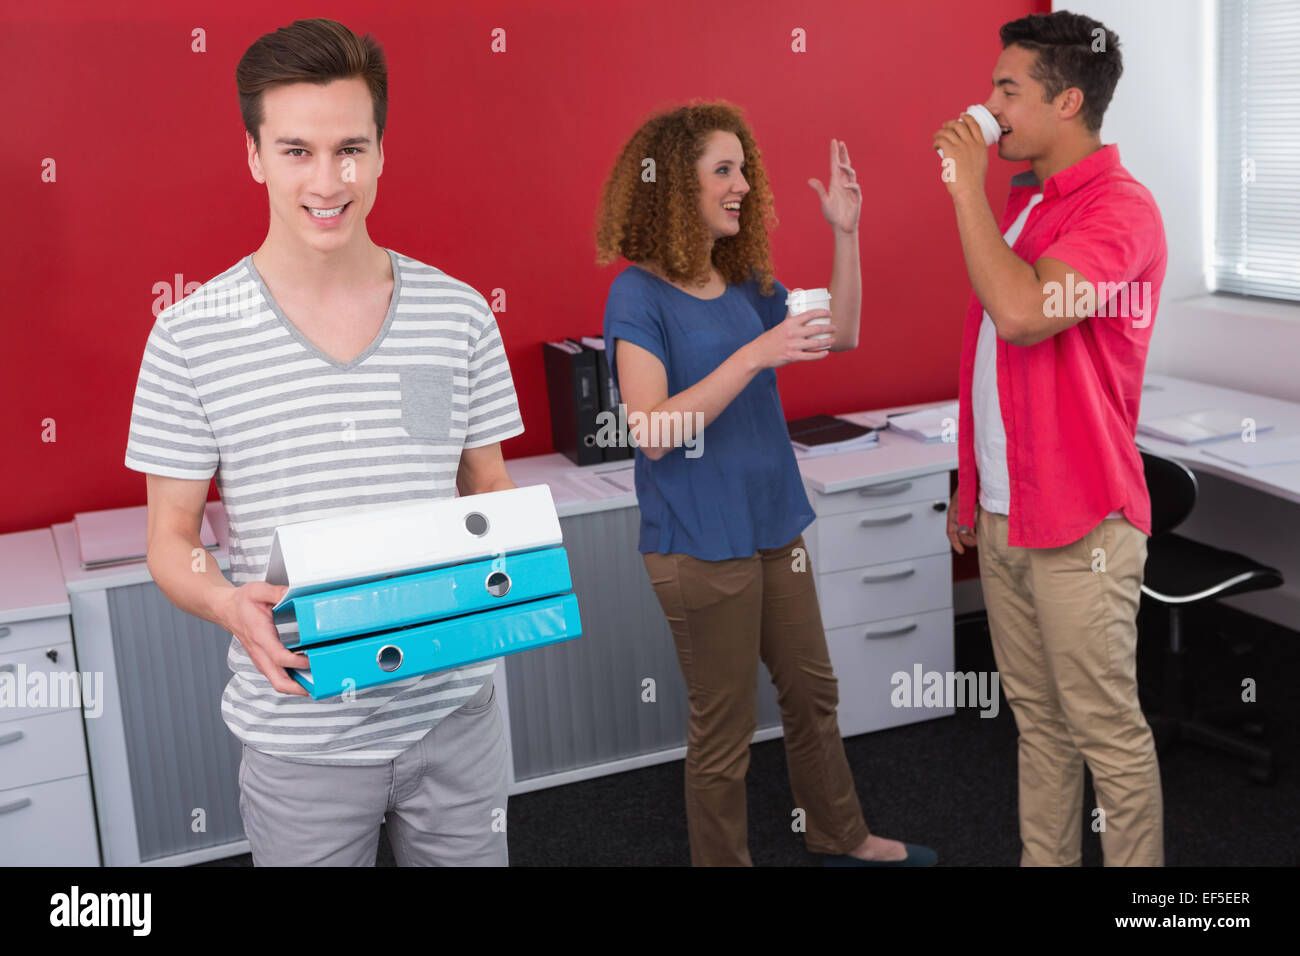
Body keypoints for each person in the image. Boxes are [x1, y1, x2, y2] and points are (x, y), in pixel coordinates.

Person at [124, 18, 524, 866]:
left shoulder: (458, 314)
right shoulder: (189, 336)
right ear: (255, 155)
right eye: (297, 150)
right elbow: (170, 538)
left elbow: (487, 484)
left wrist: (514, 563)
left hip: (459, 714)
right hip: (302, 734)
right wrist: (229, 603)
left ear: (381, 151)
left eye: (351, 148)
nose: (328, 180)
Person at [596, 100, 937, 867]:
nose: (743, 184)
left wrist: (845, 234)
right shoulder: (637, 295)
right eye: (724, 170)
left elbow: (839, 334)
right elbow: (650, 430)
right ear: (674, 189)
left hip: (774, 525)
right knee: (723, 730)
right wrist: (756, 355)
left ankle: (839, 833)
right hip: (697, 542)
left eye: (743, 169)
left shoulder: (744, 280)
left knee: (814, 697)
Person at [934, 10, 1166, 866]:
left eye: (1007, 89)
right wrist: (973, 484)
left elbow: (1027, 316)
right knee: (1039, 726)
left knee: (1106, 732)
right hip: (1005, 511)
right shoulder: (1028, 205)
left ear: (1068, 101)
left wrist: (963, 190)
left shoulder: (1122, 212)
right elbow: (989, 357)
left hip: (1083, 525)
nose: (988, 104)